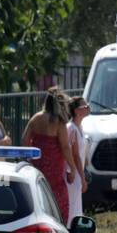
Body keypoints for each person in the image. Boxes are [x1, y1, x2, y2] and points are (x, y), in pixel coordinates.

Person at [21, 88, 74, 224]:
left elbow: (24, 141)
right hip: (55, 169)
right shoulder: (59, 122)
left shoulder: (35, 118)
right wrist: (72, 169)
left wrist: (30, 159)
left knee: (39, 196)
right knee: (59, 201)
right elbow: (65, 147)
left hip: (37, 165)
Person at [65, 95, 90, 220]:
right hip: (72, 174)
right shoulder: (71, 129)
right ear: (76, 111)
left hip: (77, 174)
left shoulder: (80, 127)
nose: (88, 108)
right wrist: (81, 176)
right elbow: (73, 155)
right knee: (72, 207)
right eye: (84, 106)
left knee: (76, 206)